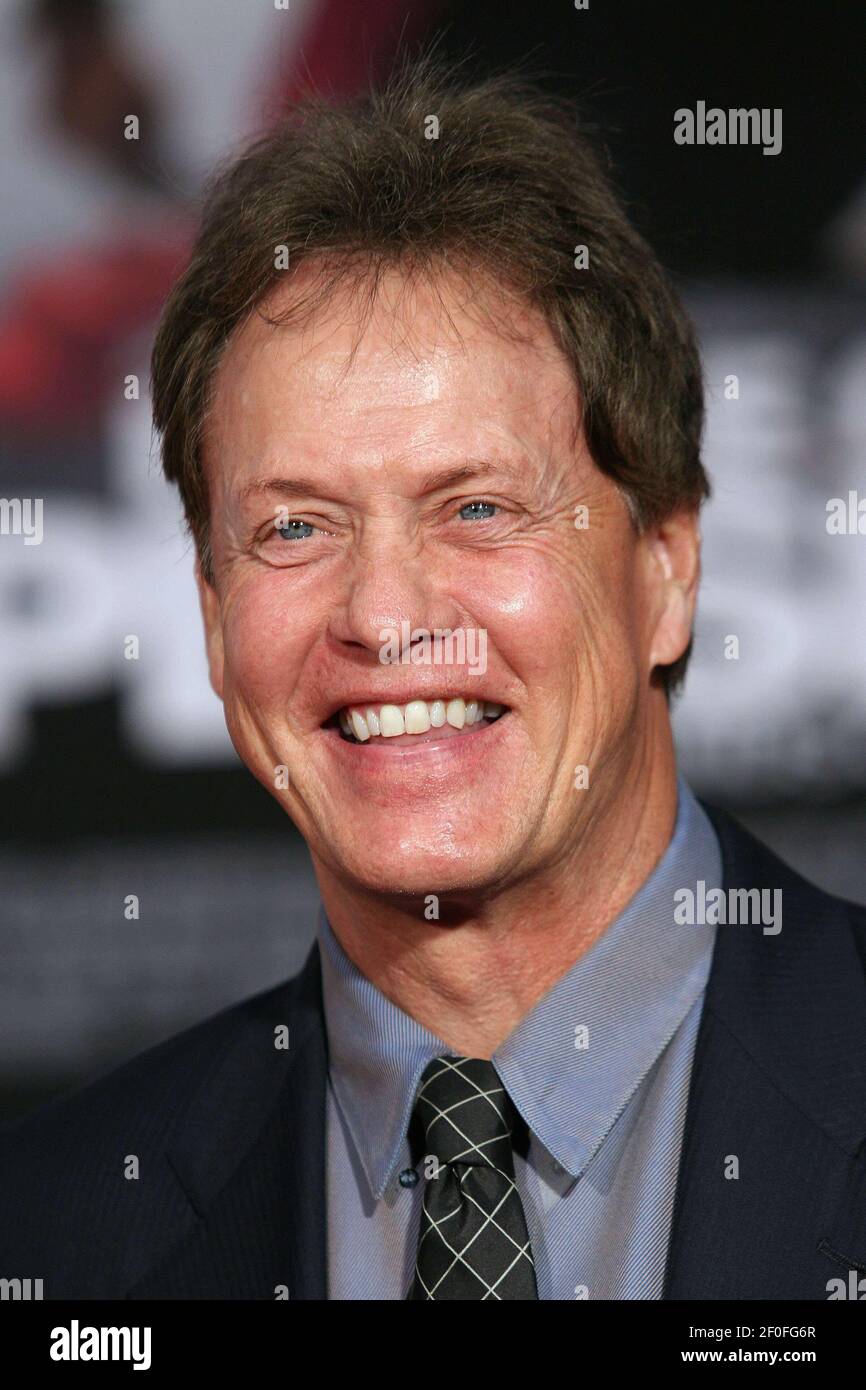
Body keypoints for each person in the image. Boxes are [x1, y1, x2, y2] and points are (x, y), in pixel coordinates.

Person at [2, 53, 865, 1301]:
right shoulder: (50, 1237)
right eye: (294, 528)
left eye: (476, 506)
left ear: (663, 570)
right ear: (206, 609)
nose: (384, 615)